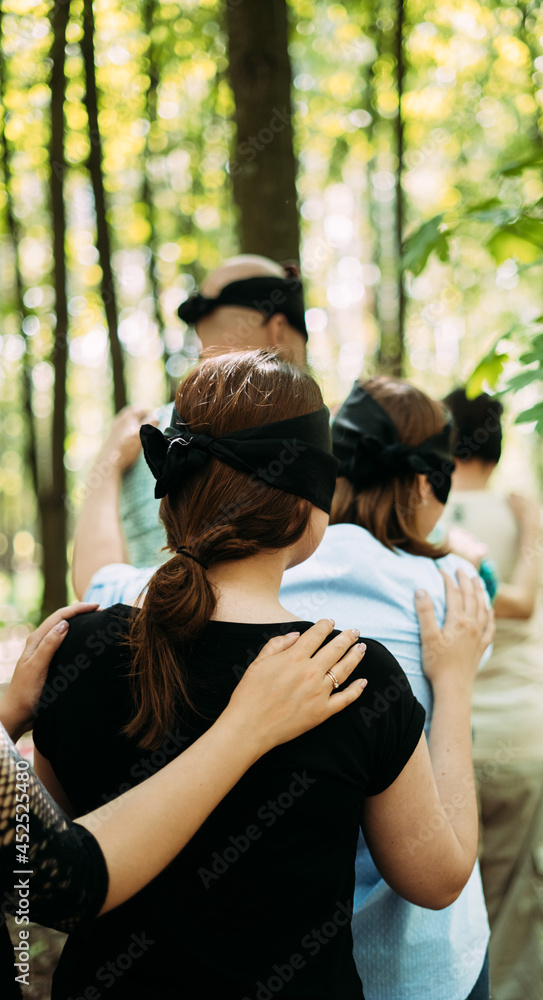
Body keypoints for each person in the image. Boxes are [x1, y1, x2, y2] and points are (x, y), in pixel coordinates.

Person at [32, 351, 489, 999]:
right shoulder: (344, 673)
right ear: (309, 503)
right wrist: (455, 688)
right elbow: (437, 877)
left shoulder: (72, 646)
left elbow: (45, 854)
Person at [1, 604, 368, 998]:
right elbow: (55, 883)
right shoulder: (359, 669)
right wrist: (246, 727)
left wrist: (7, 716)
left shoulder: (82, 647)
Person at [279, 378, 493, 1000]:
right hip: (425, 960)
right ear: (428, 481)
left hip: (289, 953)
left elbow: (105, 582)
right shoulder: (453, 586)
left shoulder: (262, 576)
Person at [435, 388, 543, 1000]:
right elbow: (534, 598)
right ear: (498, 440)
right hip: (524, 735)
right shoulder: (523, 514)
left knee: (442, 911)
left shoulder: (420, 517)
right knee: (523, 906)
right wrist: (534, 531)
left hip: (444, 740)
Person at [82, 253, 309, 579]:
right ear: (278, 328)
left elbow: (98, 590)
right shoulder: (350, 446)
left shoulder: (147, 439)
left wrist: (106, 468)